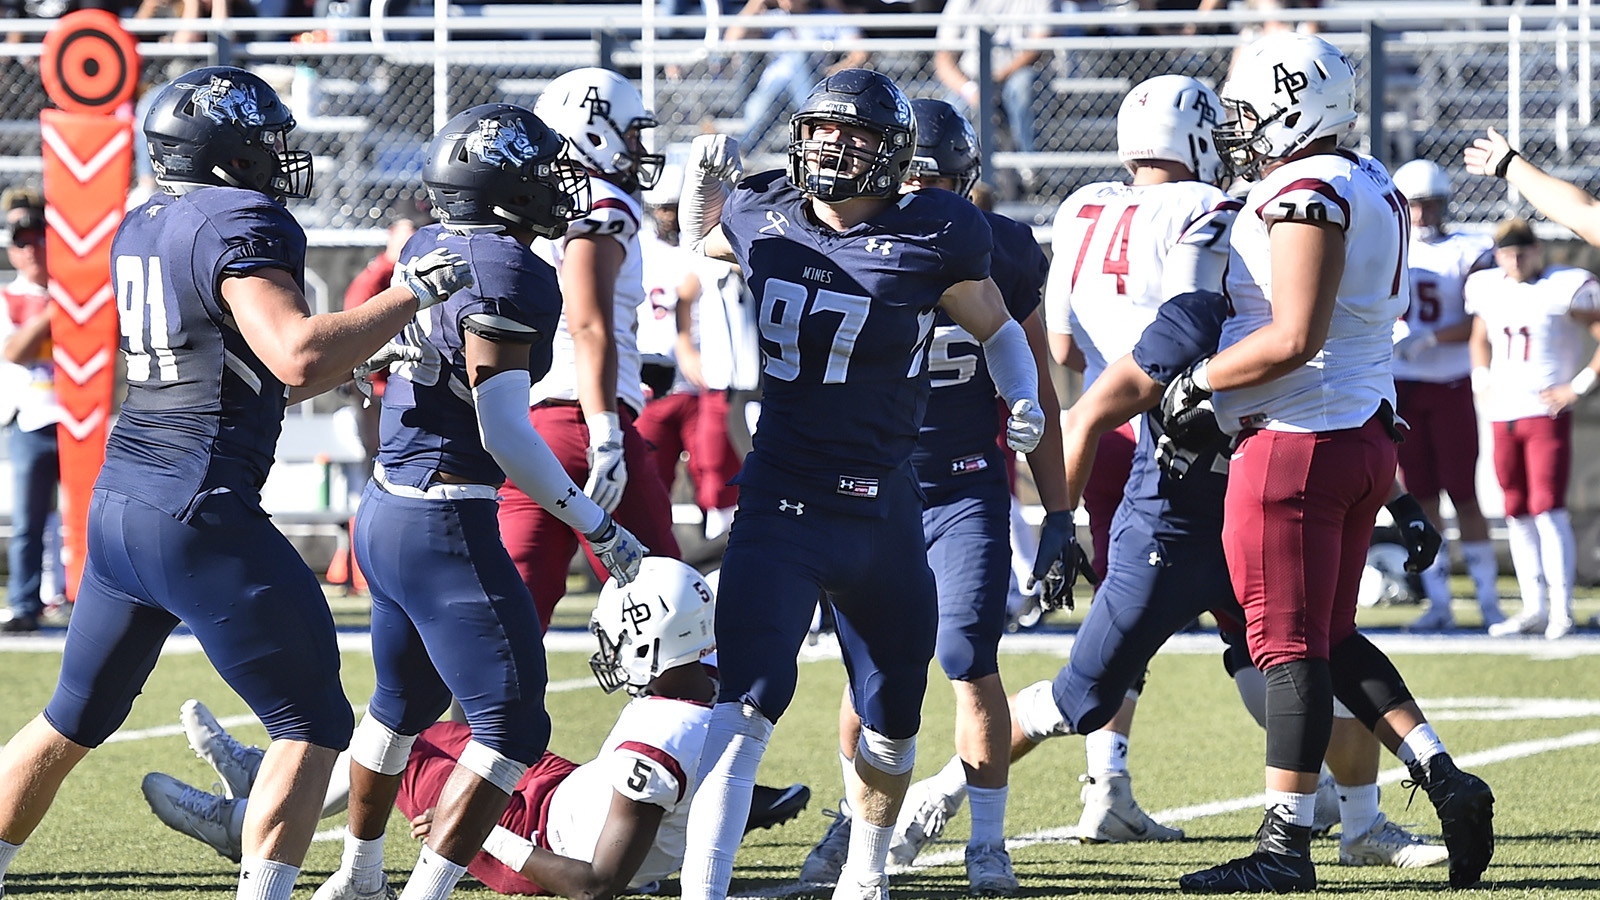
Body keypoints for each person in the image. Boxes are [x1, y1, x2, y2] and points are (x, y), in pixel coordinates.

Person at [0, 65, 476, 900]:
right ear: (221, 157)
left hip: (121, 502)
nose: (277, 162)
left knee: (70, 720)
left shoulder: (143, 220)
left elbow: (250, 367)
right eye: (261, 147)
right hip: (198, 508)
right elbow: (294, 350)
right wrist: (405, 296)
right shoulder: (241, 220)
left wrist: (353, 350)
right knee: (316, 722)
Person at [915, 287, 1454, 876]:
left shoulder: (1318, 312)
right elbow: (1092, 410)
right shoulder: (1200, 320)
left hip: (1263, 530)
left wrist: (1400, 502)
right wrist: (1062, 523)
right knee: (1082, 702)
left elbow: (1341, 416)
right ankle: (939, 793)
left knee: (1316, 665)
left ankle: (1362, 825)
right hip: (1168, 539)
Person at [674, 68, 1046, 900]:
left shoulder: (938, 230)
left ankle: (866, 878)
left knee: (893, 714)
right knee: (747, 701)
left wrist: (1020, 394)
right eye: (820, 131)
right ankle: (704, 889)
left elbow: (996, 327)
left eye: (857, 136)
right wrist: (696, 188)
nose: (833, 148)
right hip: (782, 499)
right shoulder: (764, 209)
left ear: (896, 153)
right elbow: (702, 243)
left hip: (885, 506)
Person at [1163, 33, 1494, 892]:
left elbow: (1292, 336)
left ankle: (1284, 849)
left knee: (1289, 646)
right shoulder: (1369, 177)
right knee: (1332, 636)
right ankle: (1445, 776)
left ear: (1291, 103)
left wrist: (1196, 383)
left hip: (1297, 441)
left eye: (1247, 112)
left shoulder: (1306, 189)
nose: (1237, 129)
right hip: (1357, 433)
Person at [310, 103, 649, 900]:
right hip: (444, 516)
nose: (554, 187)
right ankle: (421, 892)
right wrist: (595, 522)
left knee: (402, 705)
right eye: (538, 175)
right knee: (515, 728)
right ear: (499, 190)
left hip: (386, 509)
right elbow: (504, 432)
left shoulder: (430, 241)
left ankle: (358, 874)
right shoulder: (514, 272)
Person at [141, 558, 812, 896]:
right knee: (420, 736)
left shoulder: (657, 746)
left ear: (653, 645)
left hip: (534, 833)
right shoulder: (713, 687)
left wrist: (480, 831)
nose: (607, 654)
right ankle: (269, 784)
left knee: (397, 747)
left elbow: (595, 884)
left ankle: (247, 816)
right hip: (564, 789)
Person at [797, 98, 1070, 896]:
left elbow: (1039, 386)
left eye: (945, 180)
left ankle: (987, 844)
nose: (932, 195)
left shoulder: (1005, 249)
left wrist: (1058, 512)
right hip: (873, 484)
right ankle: (857, 823)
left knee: (966, 654)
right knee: (871, 670)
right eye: (919, 179)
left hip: (962, 483)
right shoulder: (851, 236)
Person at [498, 67, 683, 631]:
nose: (637, 149)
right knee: (669, 606)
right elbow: (589, 323)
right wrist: (604, 428)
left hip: (526, 426)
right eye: (630, 134)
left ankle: (456, 724)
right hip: (583, 419)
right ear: (593, 131)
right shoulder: (599, 202)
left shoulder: (535, 197)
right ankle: (684, 719)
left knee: (511, 614)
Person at [1463, 218, 1600, 641]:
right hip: (1504, 411)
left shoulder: (1562, 285)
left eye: (1522, 251)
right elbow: (1479, 337)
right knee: (1515, 508)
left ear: (1537, 250)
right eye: (1507, 252)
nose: (1515, 259)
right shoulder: (1488, 286)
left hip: (1544, 411)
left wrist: (1577, 386)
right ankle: (1533, 607)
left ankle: (1561, 609)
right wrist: (1481, 376)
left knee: (1547, 507)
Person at [1387, 159, 1501, 632]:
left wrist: (1432, 339)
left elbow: (1484, 316)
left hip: (1450, 382)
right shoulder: (1384, 246)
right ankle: (1440, 603)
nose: (1422, 214)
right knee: (1421, 495)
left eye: (1430, 203)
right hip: (1403, 383)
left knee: (1465, 495)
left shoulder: (1469, 248)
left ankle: (1489, 602)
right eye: (1414, 204)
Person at [1, 190, 59, 634]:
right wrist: (53, 314)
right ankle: (24, 604)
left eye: (38, 236)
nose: (32, 247)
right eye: (22, 240)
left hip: (84, 418)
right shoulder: (8, 297)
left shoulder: (80, 293)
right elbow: (16, 351)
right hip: (30, 420)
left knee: (99, 520)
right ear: (11, 249)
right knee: (28, 523)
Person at [933, 0, 1056, 193]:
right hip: (972, 81)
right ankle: (953, 176)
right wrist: (972, 92)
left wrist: (998, 78)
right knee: (948, 112)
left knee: (1021, 88)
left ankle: (1030, 168)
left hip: (1017, 74)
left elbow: (1039, 43)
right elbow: (943, 59)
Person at [726, 0, 868, 153]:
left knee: (799, 57)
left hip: (814, 83)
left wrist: (835, 72)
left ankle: (743, 148)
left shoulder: (827, 17)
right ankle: (808, 125)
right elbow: (732, 40)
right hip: (775, 82)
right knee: (767, 98)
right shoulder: (773, 18)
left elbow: (860, 52)